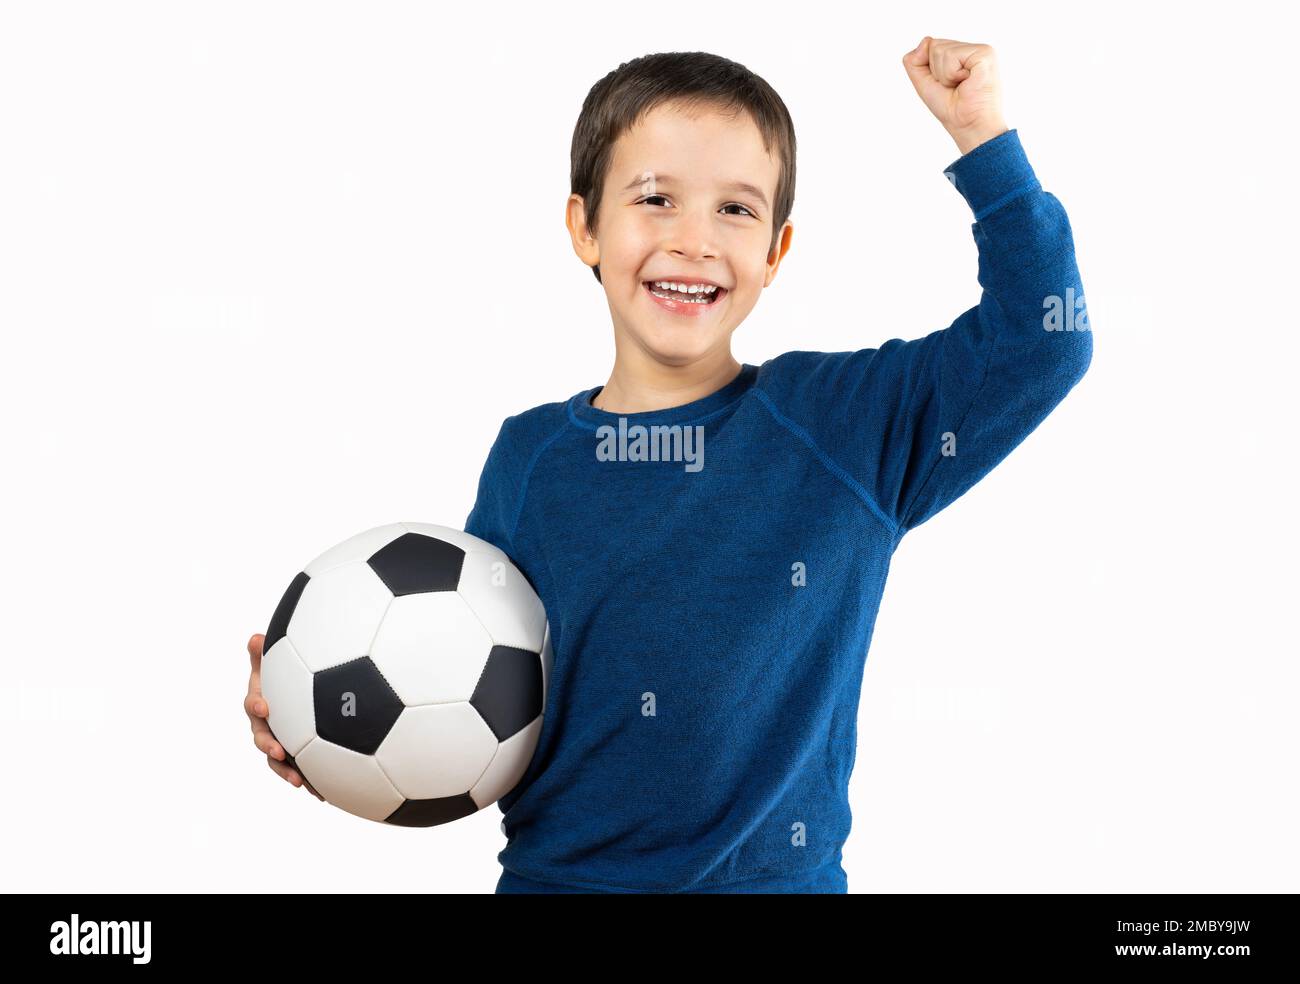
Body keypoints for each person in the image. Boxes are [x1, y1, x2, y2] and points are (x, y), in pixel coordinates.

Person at [245, 38, 1092, 893]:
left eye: (736, 210)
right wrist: (319, 711)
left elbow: (1044, 340)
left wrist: (982, 137)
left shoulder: (842, 424)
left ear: (776, 251)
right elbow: (467, 679)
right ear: (585, 226)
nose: (694, 240)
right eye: (656, 199)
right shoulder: (528, 457)